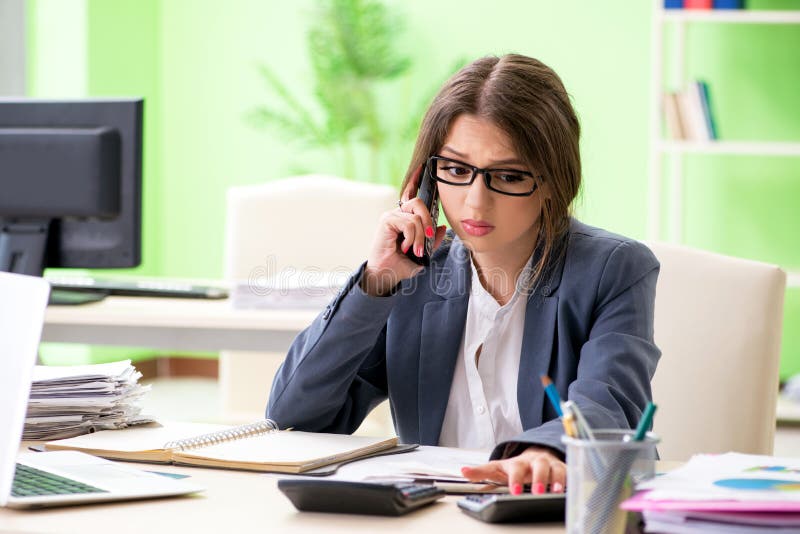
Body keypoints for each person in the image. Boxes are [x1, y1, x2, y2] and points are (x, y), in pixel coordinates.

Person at [267, 53, 660, 495]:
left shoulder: (614, 270)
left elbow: (609, 407)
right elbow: (293, 418)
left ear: (553, 181)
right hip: (430, 515)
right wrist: (376, 282)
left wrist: (545, 454)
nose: (475, 203)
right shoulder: (412, 274)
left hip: (547, 516)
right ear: (426, 179)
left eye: (509, 176)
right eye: (455, 170)